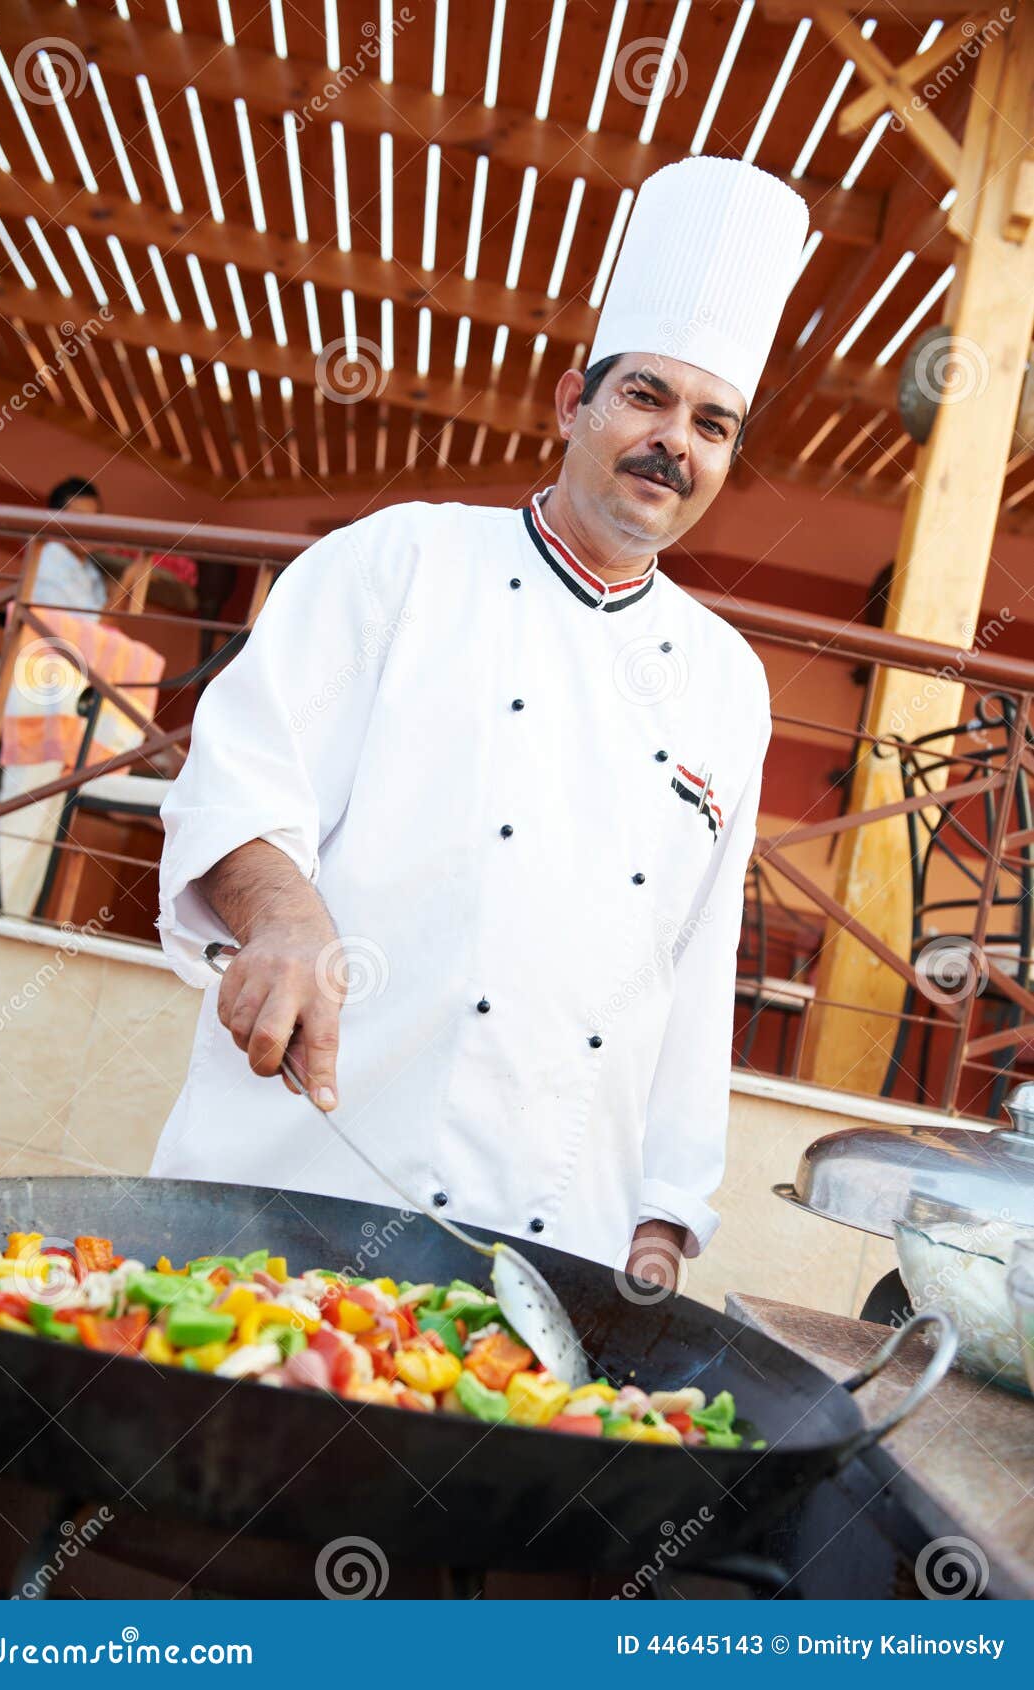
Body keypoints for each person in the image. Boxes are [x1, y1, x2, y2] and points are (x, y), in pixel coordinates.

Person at [153, 157, 809, 1289]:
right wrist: (288, 915)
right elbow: (241, 781)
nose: (674, 443)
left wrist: (666, 1205)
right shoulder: (399, 559)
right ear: (573, 401)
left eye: (712, 423)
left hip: (558, 1218)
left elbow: (696, 967)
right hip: (317, 1166)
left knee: (481, 1459)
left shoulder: (728, 680)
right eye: (645, 396)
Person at [33, 478, 111, 617]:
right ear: (56, 521)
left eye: (95, 518)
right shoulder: (52, 558)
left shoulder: (89, 567)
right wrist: (127, 583)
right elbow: (93, 629)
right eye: (80, 518)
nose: (89, 527)